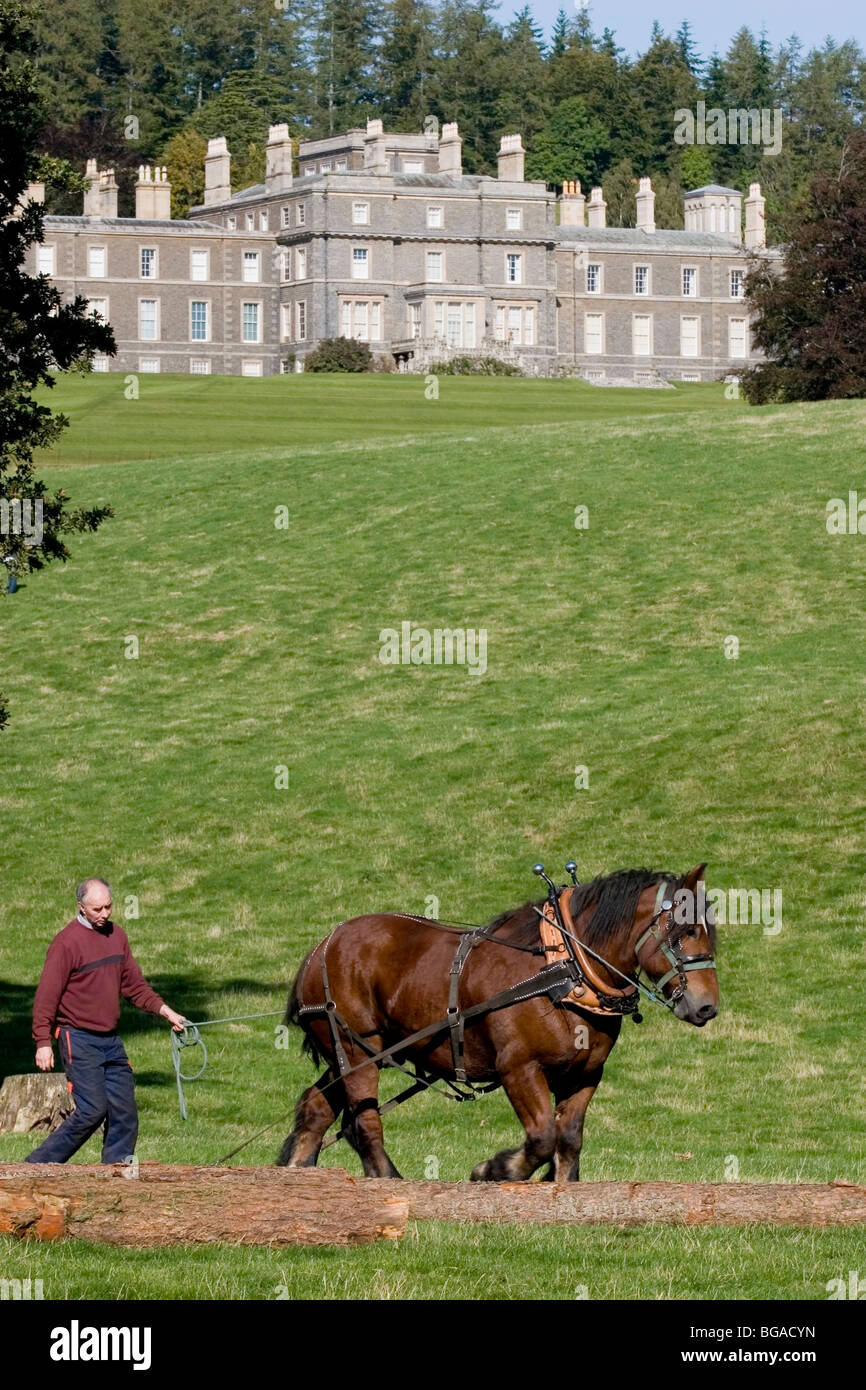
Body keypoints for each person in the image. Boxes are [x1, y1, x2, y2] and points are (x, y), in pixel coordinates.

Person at [26, 877, 186, 1164]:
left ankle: (116, 1170)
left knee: (125, 1111)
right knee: (92, 1110)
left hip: (110, 1039)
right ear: (81, 908)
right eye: (97, 909)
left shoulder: (117, 936)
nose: (105, 914)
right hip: (78, 1038)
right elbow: (46, 997)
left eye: (108, 907)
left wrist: (166, 1012)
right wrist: (43, 1042)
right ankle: (37, 1166)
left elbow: (135, 986)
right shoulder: (66, 944)